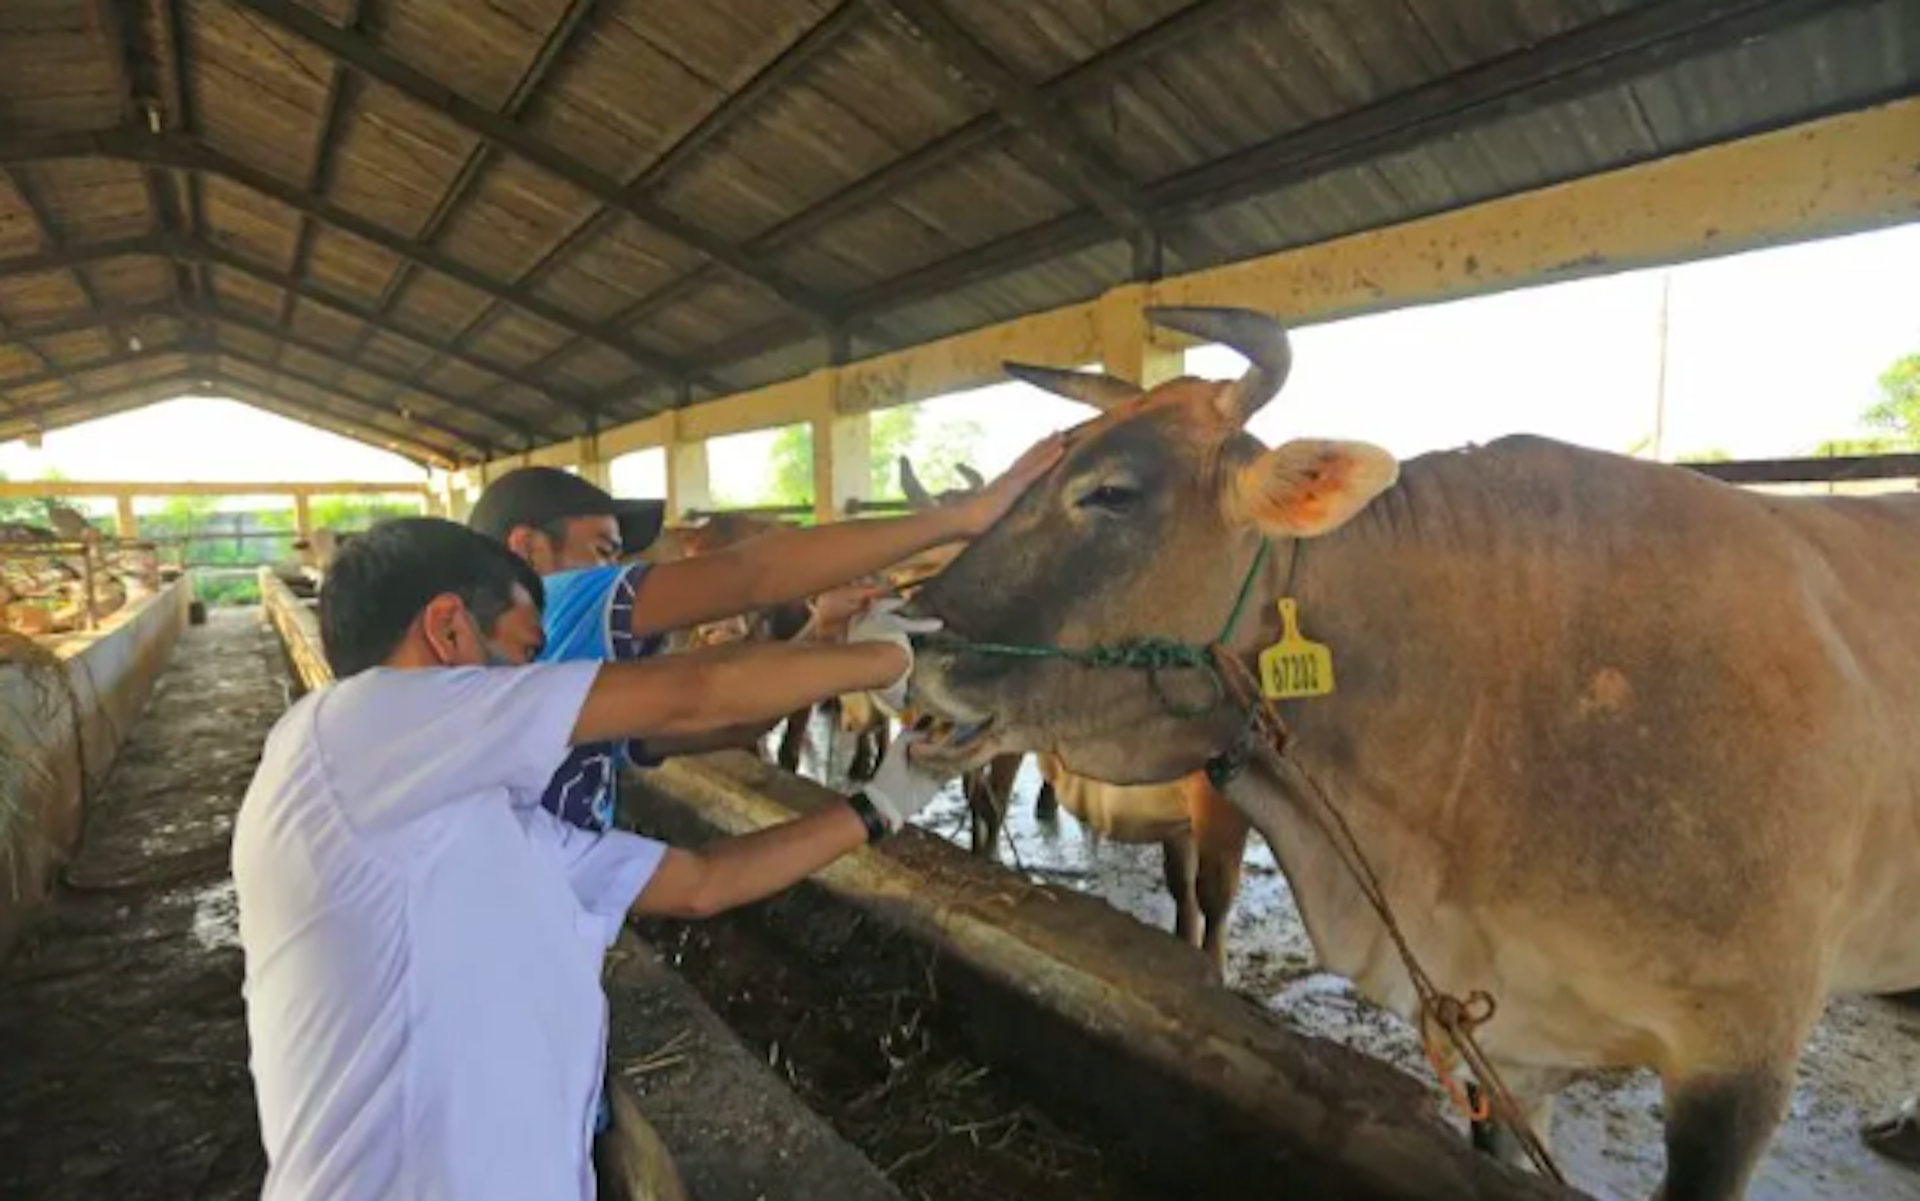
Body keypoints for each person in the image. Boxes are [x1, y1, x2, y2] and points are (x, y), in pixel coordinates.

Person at [232, 518, 951, 1201]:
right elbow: (691, 692)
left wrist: (879, 803)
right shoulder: (343, 733)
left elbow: (706, 883)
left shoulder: (506, 827)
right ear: (448, 628)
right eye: (521, 652)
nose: (535, 673)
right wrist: (891, 659)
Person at [464, 437, 1061, 834]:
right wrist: (961, 520)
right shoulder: (555, 599)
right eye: (604, 552)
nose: (617, 572)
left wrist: (820, 631)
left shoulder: (571, 705)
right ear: (526, 549)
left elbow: (733, 723)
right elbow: (747, 579)